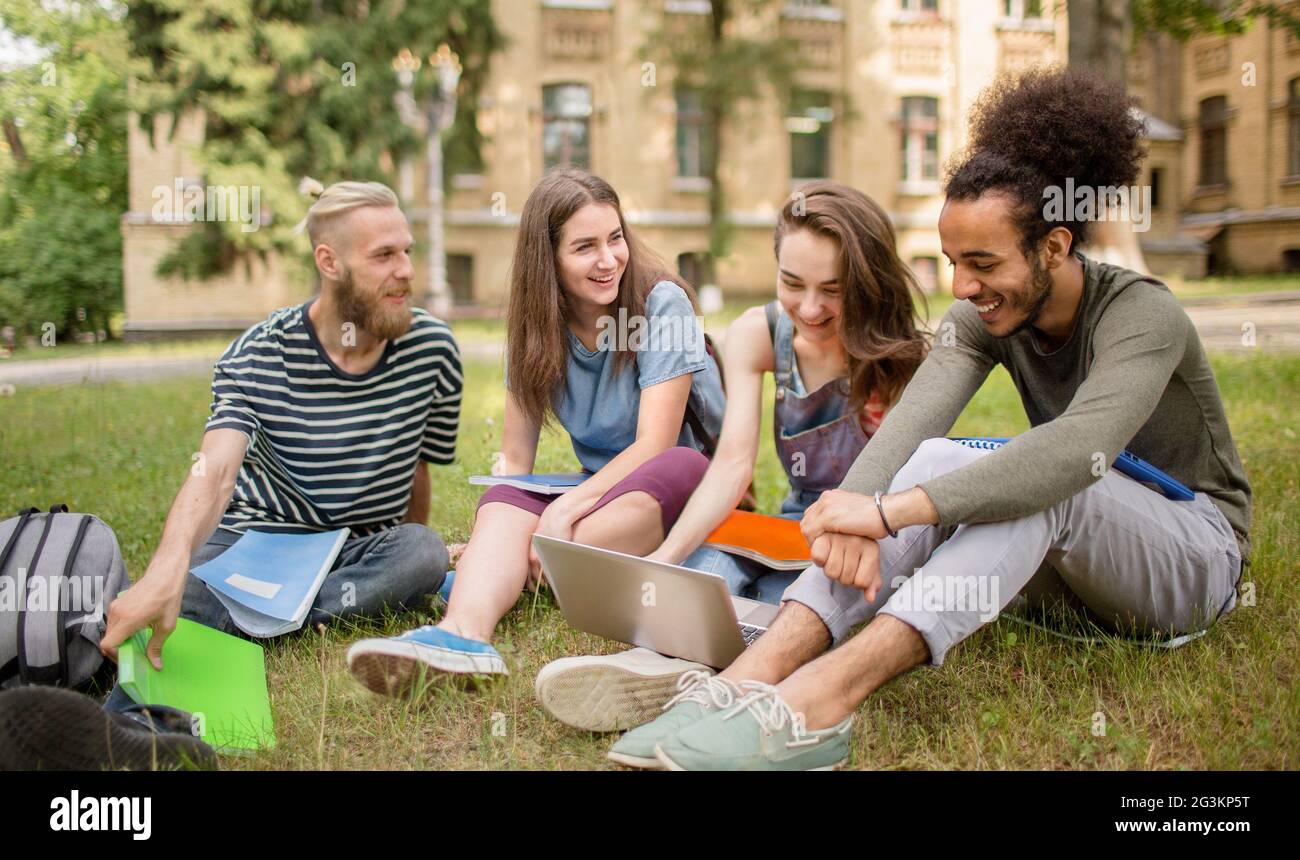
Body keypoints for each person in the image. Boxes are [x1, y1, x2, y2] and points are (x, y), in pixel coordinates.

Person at [598, 67, 1251, 771]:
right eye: (951, 263)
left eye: (982, 263)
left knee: (1043, 482)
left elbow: (1076, 452)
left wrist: (888, 514)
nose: (963, 288)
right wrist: (854, 507)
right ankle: (744, 681)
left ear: (1054, 248)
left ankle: (812, 706)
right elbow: (911, 429)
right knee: (940, 459)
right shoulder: (983, 318)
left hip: (1192, 557)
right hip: (1079, 576)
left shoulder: (1144, 315)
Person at [2, 179, 462, 771]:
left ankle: (234, 624)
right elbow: (215, 470)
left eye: (406, 251)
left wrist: (415, 568)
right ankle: (128, 732)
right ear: (330, 262)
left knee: (422, 552)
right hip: (254, 545)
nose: (405, 271)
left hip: (350, 553)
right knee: (186, 584)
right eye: (383, 256)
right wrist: (168, 565)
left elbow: (417, 472)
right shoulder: (259, 354)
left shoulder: (433, 350)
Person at [533, 182, 929, 734]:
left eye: (833, 290)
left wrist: (859, 530)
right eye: (792, 283)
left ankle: (700, 676)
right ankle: (654, 661)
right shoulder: (760, 332)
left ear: (867, 282)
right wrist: (668, 554)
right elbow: (732, 467)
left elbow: (909, 491)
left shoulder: (907, 356)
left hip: (873, 534)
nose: (810, 308)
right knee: (713, 562)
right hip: (800, 522)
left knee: (789, 597)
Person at [346, 169, 724, 694]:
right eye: (585, 246)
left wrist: (561, 511)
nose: (609, 259)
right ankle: (463, 636)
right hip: (601, 495)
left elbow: (655, 444)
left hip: (680, 486)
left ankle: (497, 577)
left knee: (679, 464)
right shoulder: (536, 325)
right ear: (547, 259)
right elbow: (515, 457)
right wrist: (501, 519)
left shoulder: (662, 303)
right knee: (504, 497)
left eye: (615, 238)